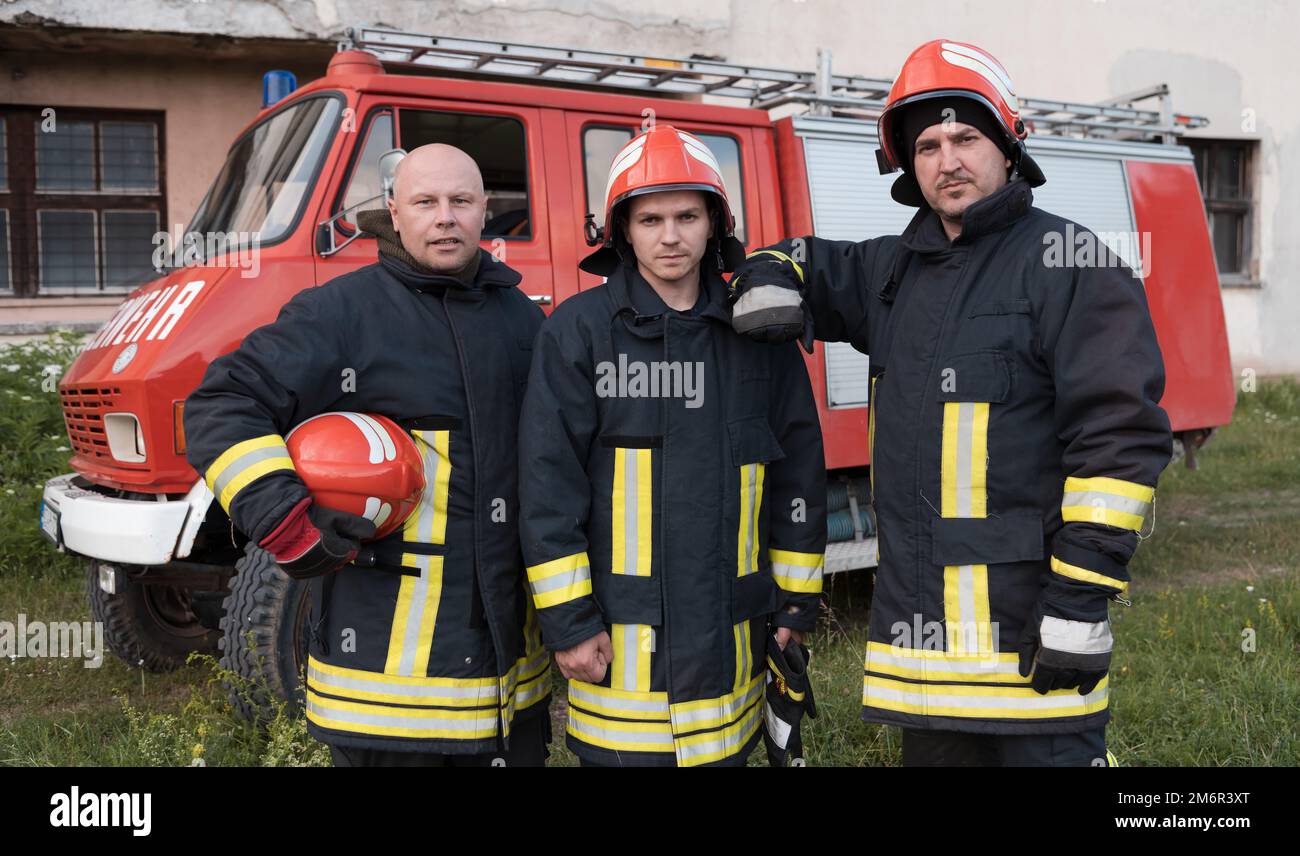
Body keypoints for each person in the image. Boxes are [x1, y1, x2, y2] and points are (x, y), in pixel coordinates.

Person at [729, 40, 1172, 767]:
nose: (947, 160)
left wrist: (1081, 597)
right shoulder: (889, 270)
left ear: (1007, 144)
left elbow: (1119, 440)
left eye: (966, 137)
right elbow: (803, 260)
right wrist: (769, 272)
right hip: (926, 664)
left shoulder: (1071, 264)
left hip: (1035, 644)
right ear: (908, 164)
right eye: (928, 145)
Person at [185, 143, 551, 766]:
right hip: (383, 695)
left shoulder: (520, 319)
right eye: (425, 202)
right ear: (393, 211)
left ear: (485, 210)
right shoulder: (340, 312)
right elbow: (221, 403)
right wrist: (284, 522)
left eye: (461, 201)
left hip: (507, 687)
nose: (445, 217)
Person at [518, 125, 827, 766]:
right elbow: (549, 486)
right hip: (623, 661)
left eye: (687, 215)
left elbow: (798, 473)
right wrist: (571, 623)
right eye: (650, 218)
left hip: (731, 652)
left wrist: (796, 605)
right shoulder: (579, 333)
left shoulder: (757, 331)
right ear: (622, 230)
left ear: (714, 222)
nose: (670, 236)